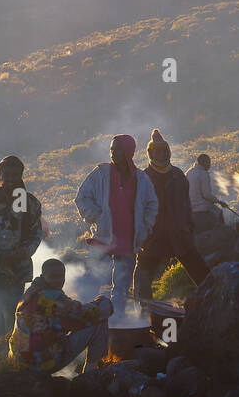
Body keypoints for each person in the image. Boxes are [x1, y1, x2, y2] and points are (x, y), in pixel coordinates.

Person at [75, 134, 158, 319]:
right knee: (92, 284)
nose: (113, 153)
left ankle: (115, 326)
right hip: (102, 239)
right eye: (112, 149)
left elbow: (152, 204)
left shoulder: (141, 178)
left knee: (120, 288)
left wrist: (146, 228)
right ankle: (85, 321)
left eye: (117, 149)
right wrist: (96, 216)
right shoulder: (101, 173)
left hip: (128, 241)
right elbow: (81, 198)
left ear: (129, 152)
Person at [0, 155, 44, 359]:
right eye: (7, 174)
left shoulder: (27, 202)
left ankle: (13, 359)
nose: (11, 179)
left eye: (15, 174)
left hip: (16, 270)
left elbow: (34, 233)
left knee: (14, 315)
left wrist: (21, 253)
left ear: (21, 175)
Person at [134, 130, 211, 298]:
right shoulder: (143, 178)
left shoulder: (178, 175)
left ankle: (212, 301)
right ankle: (143, 314)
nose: (161, 154)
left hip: (179, 233)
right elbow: (137, 209)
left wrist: (189, 227)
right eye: (157, 150)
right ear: (150, 152)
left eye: (164, 150)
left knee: (201, 272)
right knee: (143, 277)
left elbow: (186, 204)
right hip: (153, 236)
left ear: (168, 152)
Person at [9, 258, 112, 375]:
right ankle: (91, 373)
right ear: (43, 276)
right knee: (99, 320)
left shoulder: (30, 293)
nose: (58, 280)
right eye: (53, 276)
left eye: (61, 276)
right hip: (42, 363)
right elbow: (84, 314)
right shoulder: (56, 299)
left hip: (19, 360)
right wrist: (102, 303)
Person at [186, 153, 223, 232]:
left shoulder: (189, 172)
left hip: (190, 207)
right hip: (202, 208)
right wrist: (218, 201)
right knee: (219, 212)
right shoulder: (203, 173)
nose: (209, 165)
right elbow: (206, 194)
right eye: (208, 163)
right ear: (204, 162)